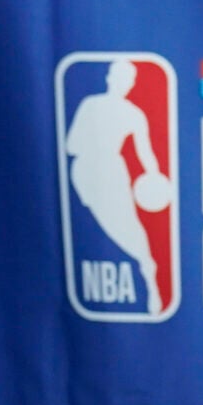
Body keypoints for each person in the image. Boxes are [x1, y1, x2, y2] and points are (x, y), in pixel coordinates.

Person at [66, 60, 164, 311]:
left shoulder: (134, 114)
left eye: (128, 79)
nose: (124, 83)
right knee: (92, 226)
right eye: (119, 77)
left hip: (114, 173)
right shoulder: (90, 105)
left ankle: (150, 277)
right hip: (85, 172)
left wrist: (154, 178)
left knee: (129, 225)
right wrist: (92, 148)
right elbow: (71, 145)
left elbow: (146, 154)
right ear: (109, 78)